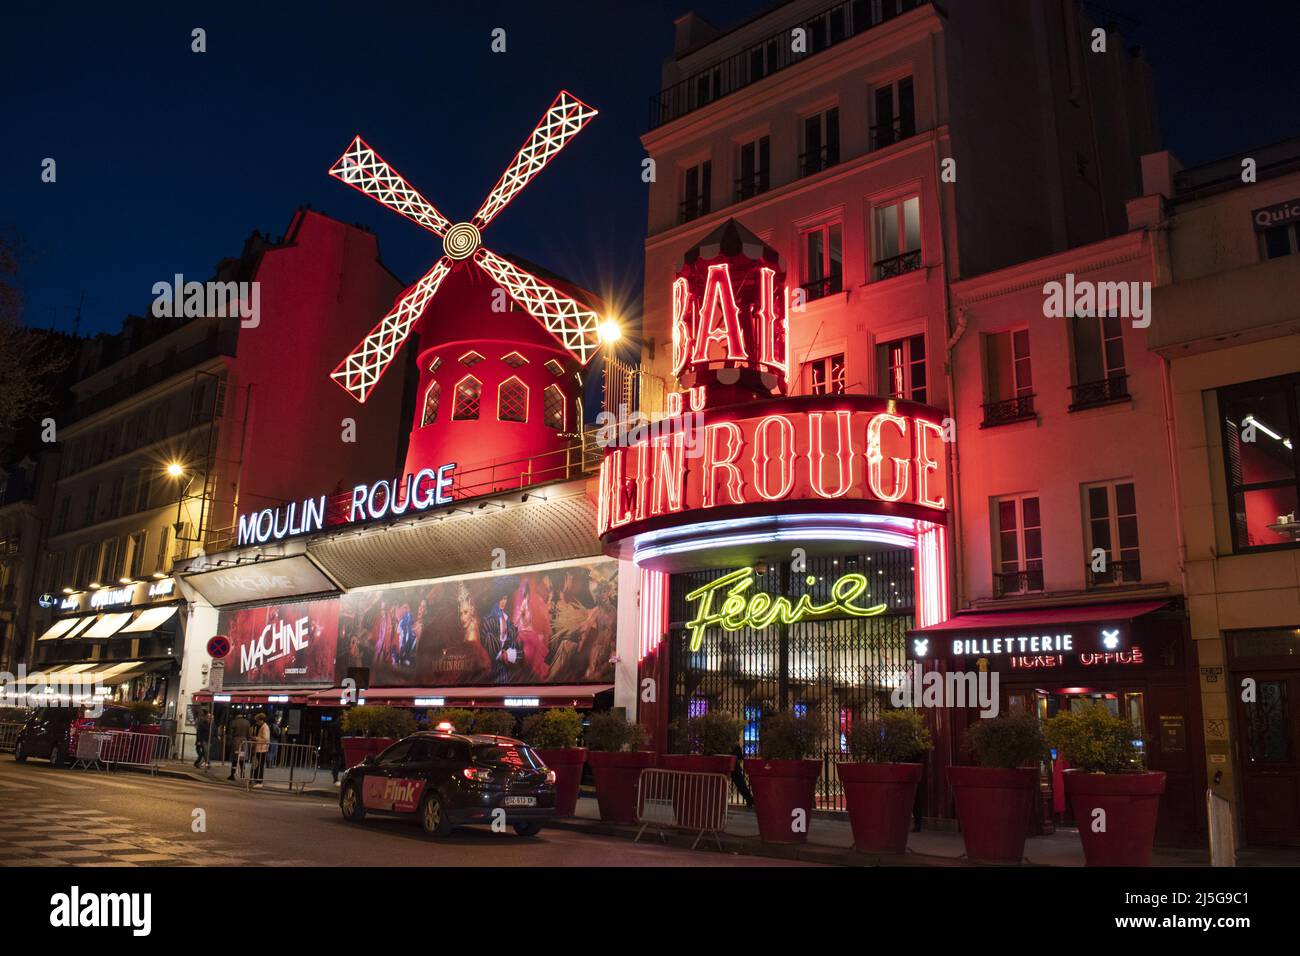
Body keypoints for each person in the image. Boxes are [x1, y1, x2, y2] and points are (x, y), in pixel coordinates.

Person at [226, 712, 251, 781]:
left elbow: (230, 734)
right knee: (242, 759)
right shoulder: (247, 722)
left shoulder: (233, 722)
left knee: (235, 759)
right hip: (244, 743)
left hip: (236, 742)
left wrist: (229, 743)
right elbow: (249, 734)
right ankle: (242, 774)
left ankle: (232, 774)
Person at [730, 743, 754, 808]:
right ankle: (749, 799)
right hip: (735, 768)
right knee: (741, 785)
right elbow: (740, 757)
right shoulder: (735, 746)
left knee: (741, 785)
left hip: (733, 768)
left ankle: (749, 799)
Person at [251, 712, 271, 788]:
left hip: (262, 749)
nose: (257, 722)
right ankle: (257, 780)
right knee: (258, 765)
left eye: (257, 721)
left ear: (261, 720)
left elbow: (266, 739)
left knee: (260, 766)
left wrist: (256, 738)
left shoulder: (265, 727)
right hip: (260, 749)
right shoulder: (263, 726)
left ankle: (259, 781)